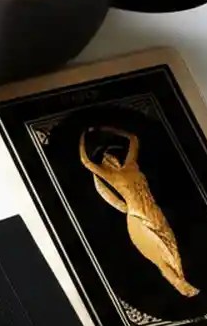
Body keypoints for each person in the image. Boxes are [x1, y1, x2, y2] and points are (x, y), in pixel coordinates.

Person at [79, 126, 199, 297]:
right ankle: (181, 285)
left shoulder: (130, 165)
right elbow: (86, 162)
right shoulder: (111, 176)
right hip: (137, 218)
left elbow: (133, 139)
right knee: (158, 254)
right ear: (104, 164)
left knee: (171, 245)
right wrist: (83, 136)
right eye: (106, 160)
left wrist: (107, 129)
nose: (109, 160)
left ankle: (182, 278)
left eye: (110, 157)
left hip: (153, 211)